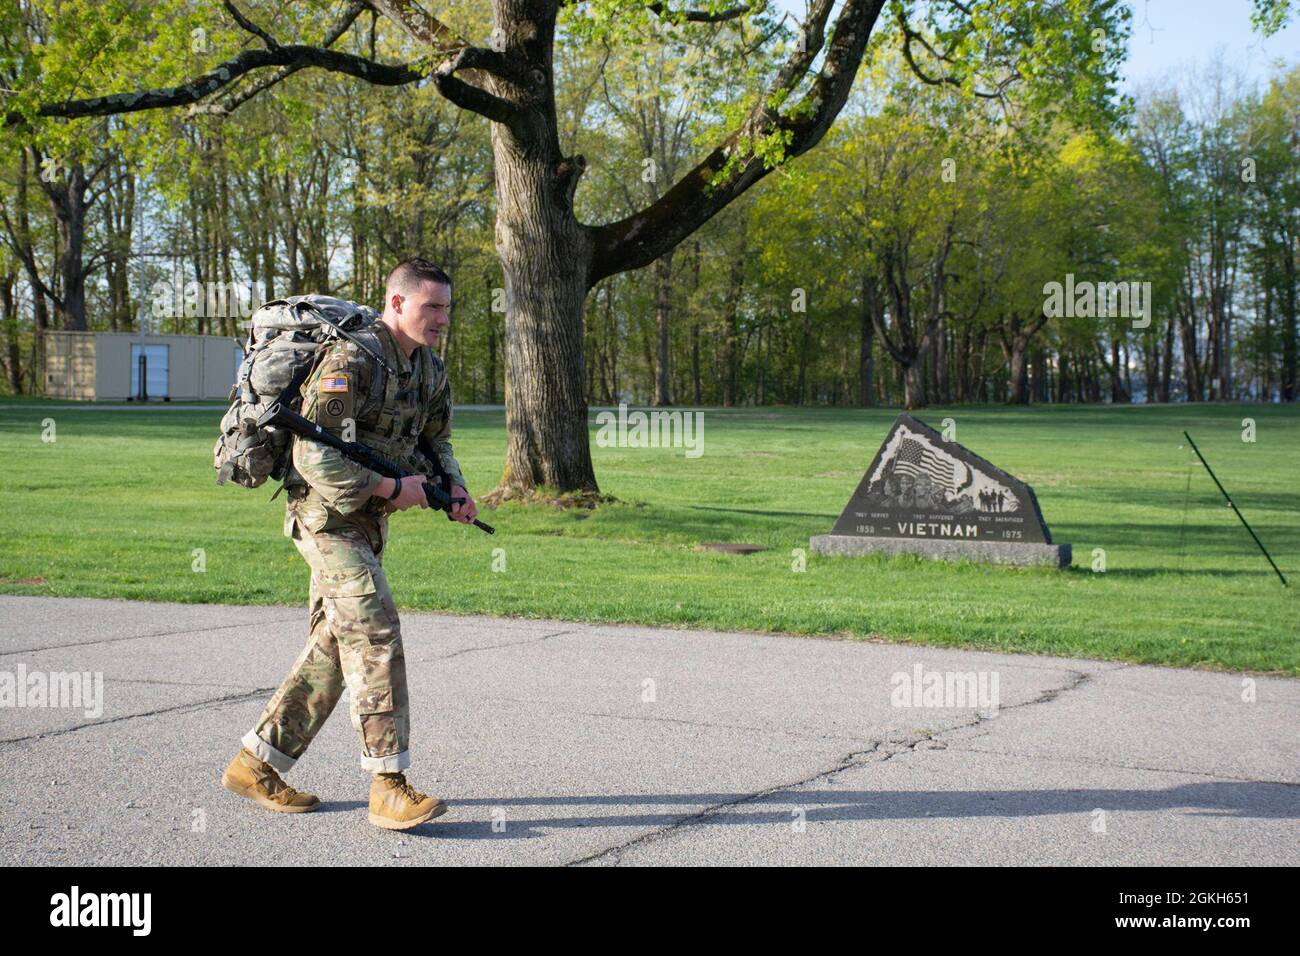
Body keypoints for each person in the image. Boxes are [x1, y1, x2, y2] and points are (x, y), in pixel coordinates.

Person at [221, 258, 478, 831]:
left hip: (368, 522)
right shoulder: (350, 361)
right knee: (375, 628)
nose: (441, 318)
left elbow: (438, 441)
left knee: (337, 648)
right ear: (396, 305)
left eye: (446, 308)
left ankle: (254, 764)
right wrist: (392, 488)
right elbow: (313, 457)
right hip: (324, 517)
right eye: (430, 307)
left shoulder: (431, 371)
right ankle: (388, 785)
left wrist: (453, 488)